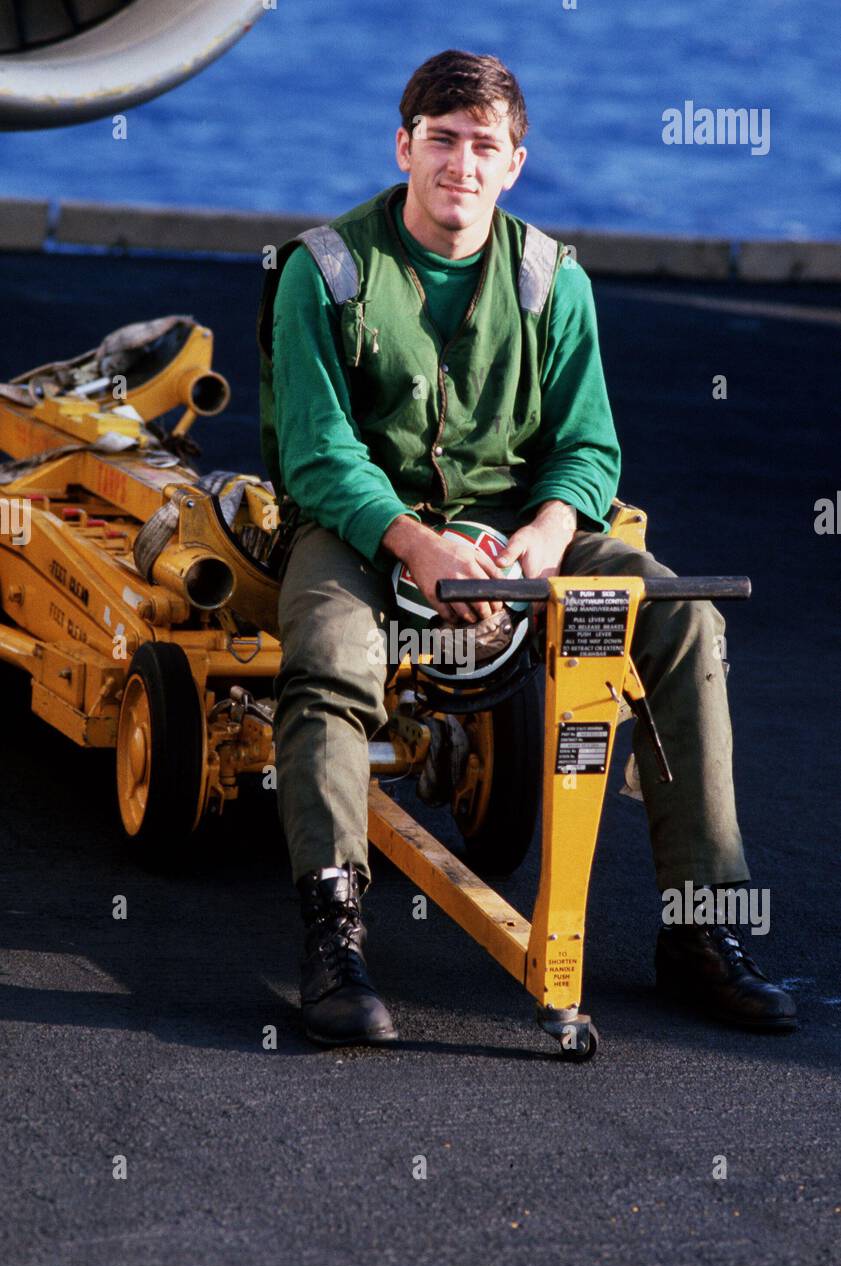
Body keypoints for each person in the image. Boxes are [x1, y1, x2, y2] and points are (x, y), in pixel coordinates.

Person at [255, 49, 796, 1046]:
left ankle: (700, 933)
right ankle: (334, 938)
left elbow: (587, 447)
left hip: (518, 536)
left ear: (515, 164)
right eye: (443, 140)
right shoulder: (322, 271)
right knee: (328, 661)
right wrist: (415, 543)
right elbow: (318, 454)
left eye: (484, 145)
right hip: (364, 529)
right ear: (403, 145)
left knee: (683, 620)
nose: (461, 162)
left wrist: (543, 539)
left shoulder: (553, 281)